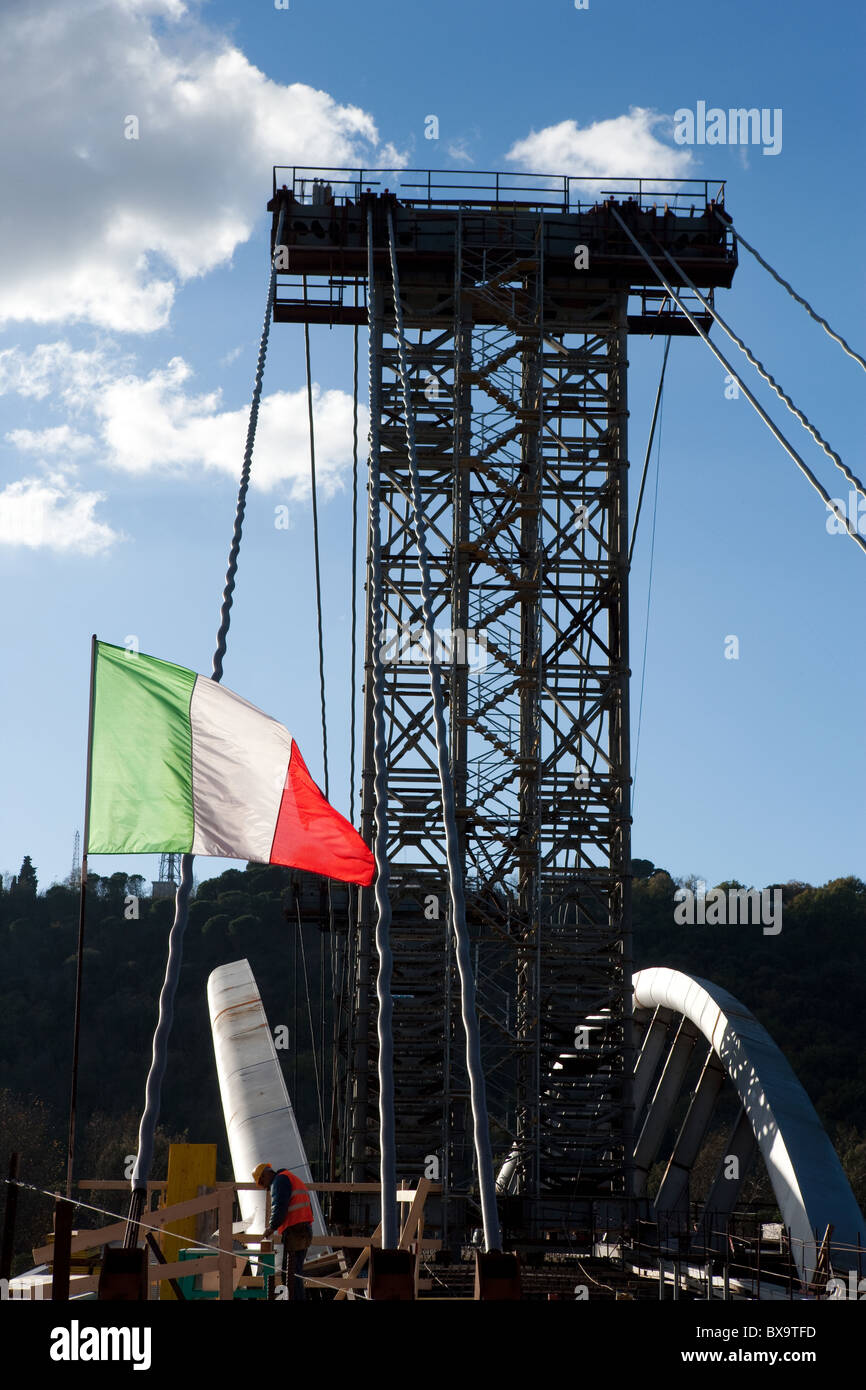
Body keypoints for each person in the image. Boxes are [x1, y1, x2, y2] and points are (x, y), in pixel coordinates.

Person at [253, 1163, 313, 1301]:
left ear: (266, 1174)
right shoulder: (290, 1177)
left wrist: (271, 1228)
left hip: (296, 1231)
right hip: (304, 1229)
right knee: (293, 1272)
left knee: (291, 1274)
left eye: (262, 1182)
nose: (265, 1187)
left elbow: (279, 1207)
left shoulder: (279, 1181)